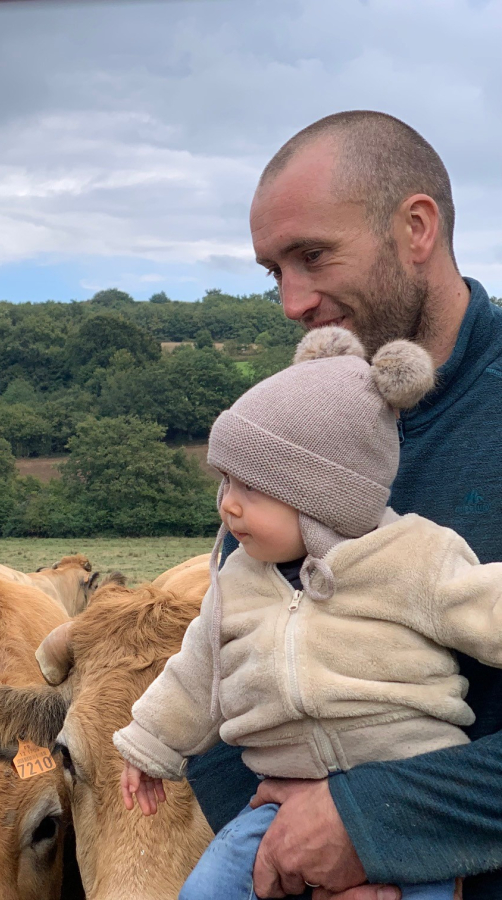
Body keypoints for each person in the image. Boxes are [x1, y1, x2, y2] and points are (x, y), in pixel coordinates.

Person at [185, 111, 502, 900]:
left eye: (313, 256)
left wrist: (375, 827)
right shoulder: (293, 426)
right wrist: (290, 857)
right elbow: (225, 664)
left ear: (416, 228)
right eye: (273, 272)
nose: (292, 301)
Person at [114, 324, 502, 899]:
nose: (229, 503)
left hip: (412, 805)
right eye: (224, 480)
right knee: (202, 891)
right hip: (281, 803)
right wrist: (150, 745)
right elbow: (198, 673)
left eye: (252, 485)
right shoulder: (237, 580)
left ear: (324, 496)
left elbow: (484, 604)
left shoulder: (414, 557)